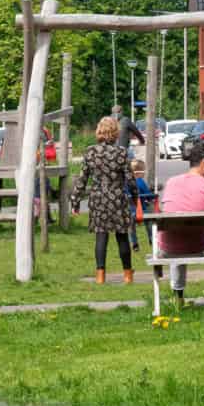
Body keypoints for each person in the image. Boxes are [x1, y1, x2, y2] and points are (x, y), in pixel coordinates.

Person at [157, 140, 204, 293]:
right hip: (198, 246)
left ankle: (177, 293)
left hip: (168, 247)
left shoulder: (171, 182)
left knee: (177, 235)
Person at [73, 115, 138, 284]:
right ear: (116, 133)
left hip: (98, 198)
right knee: (122, 237)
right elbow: (130, 180)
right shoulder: (121, 152)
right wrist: (136, 198)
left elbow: (82, 179)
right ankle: (127, 274)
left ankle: (100, 275)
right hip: (117, 198)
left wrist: (76, 201)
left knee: (101, 237)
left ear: (99, 132)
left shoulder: (90, 152)